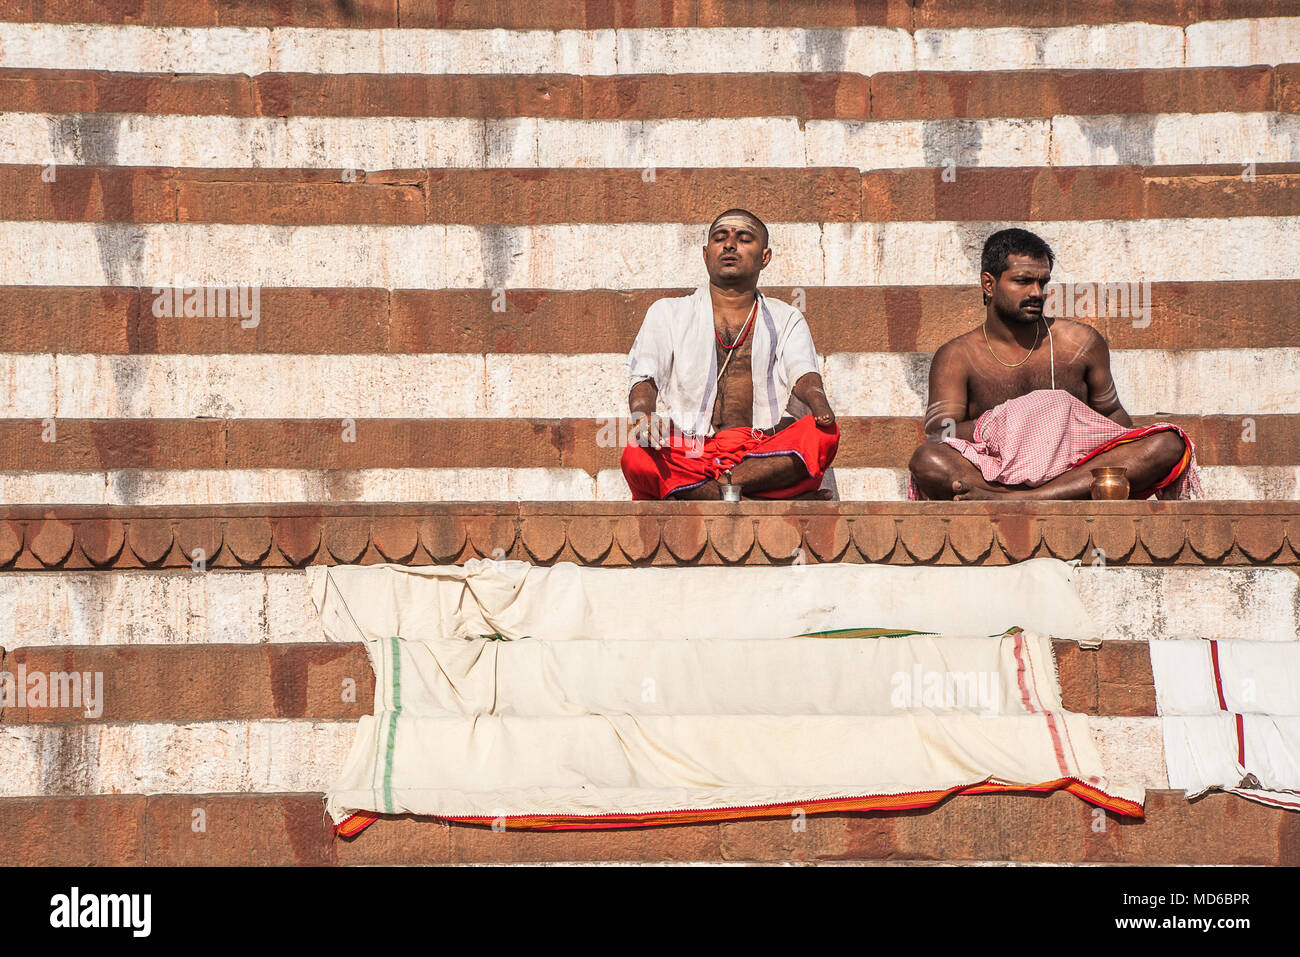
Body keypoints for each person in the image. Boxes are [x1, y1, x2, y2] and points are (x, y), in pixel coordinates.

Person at [908, 228, 1201, 501]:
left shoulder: (1081, 342)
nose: (1037, 292)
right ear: (989, 283)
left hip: (1074, 471)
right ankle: (1021, 497)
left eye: (1042, 282)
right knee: (927, 461)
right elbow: (939, 433)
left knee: (1169, 444)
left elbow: (1114, 417)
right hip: (996, 473)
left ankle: (1022, 502)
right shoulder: (957, 355)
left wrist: (1065, 423)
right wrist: (1012, 422)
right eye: (1023, 281)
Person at [620, 208, 839, 500]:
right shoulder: (667, 311)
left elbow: (803, 374)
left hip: (757, 452)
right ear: (705, 253)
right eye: (720, 237)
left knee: (824, 435)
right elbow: (644, 377)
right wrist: (643, 415)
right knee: (637, 455)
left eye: (744, 238)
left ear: (765, 257)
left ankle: (717, 489)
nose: (730, 245)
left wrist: (817, 399)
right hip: (691, 448)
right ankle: (747, 498)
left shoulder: (786, 316)